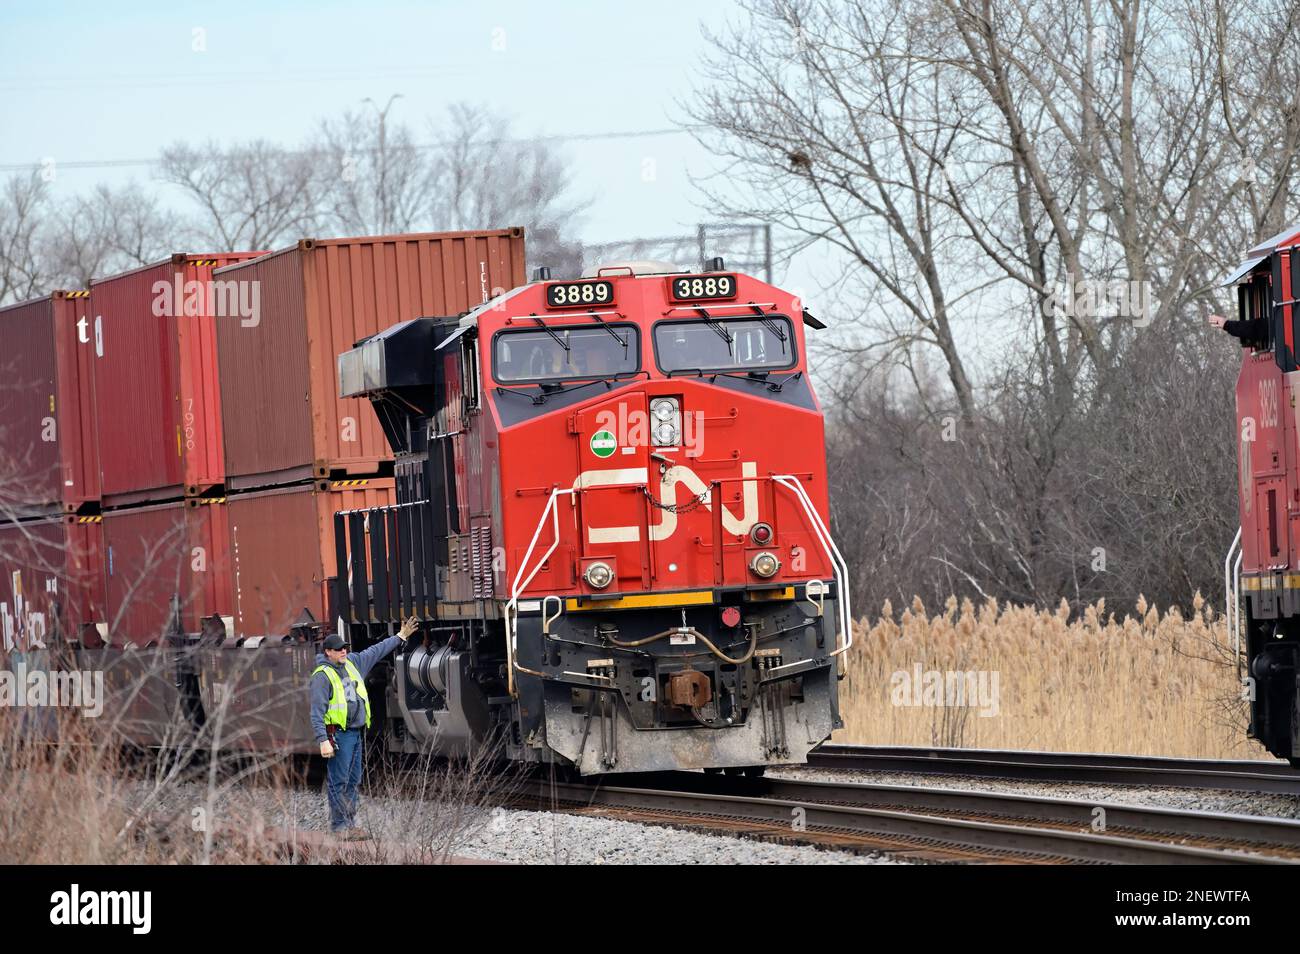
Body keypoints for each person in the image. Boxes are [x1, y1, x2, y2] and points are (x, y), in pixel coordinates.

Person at [309, 617, 418, 835]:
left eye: (345, 648)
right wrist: (322, 740)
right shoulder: (323, 676)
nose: (344, 652)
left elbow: (376, 651)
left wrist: (400, 637)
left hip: (356, 733)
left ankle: (349, 825)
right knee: (338, 780)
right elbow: (316, 712)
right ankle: (339, 827)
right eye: (339, 650)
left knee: (352, 780)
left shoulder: (353, 663)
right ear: (328, 652)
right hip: (338, 735)